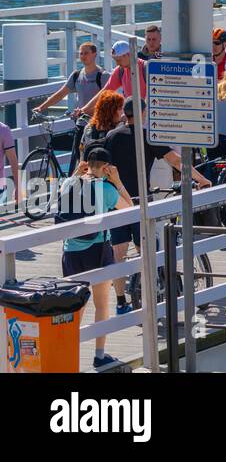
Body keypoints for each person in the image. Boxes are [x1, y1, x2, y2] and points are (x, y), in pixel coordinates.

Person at [101, 97, 206, 315]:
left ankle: (121, 302)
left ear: (125, 114)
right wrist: (201, 179)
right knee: (146, 250)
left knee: (118, 252)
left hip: (116, 201)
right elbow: (177, 161)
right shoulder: (148, 136)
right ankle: (148, 295)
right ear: (143, 113)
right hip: (141, 201)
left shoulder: (111, 136)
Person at [60, 146, 132, 369]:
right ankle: (99, 355)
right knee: (101, 304)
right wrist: (118, 181)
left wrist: (75, 174)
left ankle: (66, 352)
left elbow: (62, 202)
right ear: (107, 167)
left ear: (87, 164)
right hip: (98, 249)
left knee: (75, 306)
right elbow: (129, 208)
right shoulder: (107, 189)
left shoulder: (68, 183)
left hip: (71, 251)